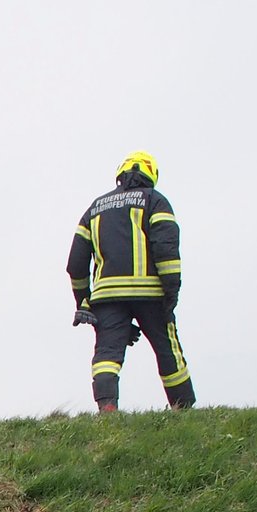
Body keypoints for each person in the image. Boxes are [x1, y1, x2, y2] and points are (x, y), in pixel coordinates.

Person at [68, 150, 193, 412]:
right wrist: (171, 294)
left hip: (106, 296)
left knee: (106, 355)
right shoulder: (156, 202)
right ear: (151, 175)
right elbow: (167, 250)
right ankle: (183, 409)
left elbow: (76, 263)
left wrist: (84, 302)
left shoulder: (95, 208)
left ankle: (107, 409)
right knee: (167, 350)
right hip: (152, 294)